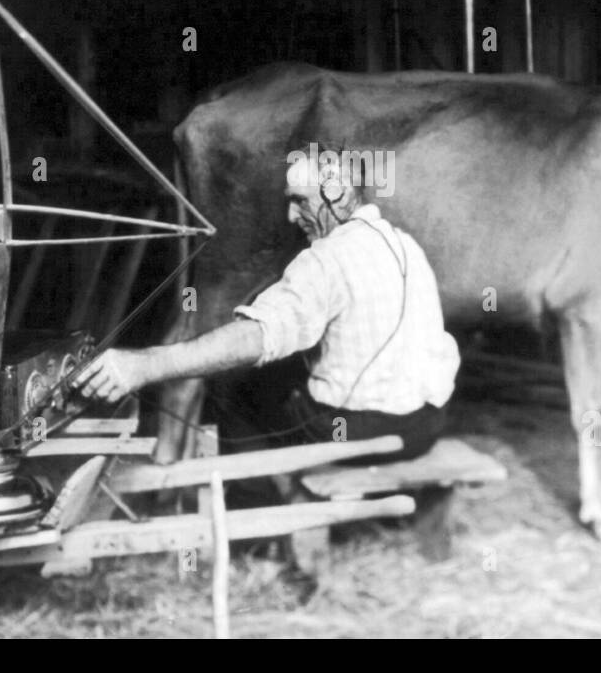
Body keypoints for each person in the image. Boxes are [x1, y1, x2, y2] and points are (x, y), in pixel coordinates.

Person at [73, 150, 459, 461]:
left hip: (357, 431)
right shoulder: (405, 244)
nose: (292, 216)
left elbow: (258, 337)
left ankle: (266, 511)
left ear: (336, 194)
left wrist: (142, 365)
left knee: (232, 390)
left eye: (299, 201)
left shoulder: (326, 259)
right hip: (425, 425)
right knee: (284, 379)